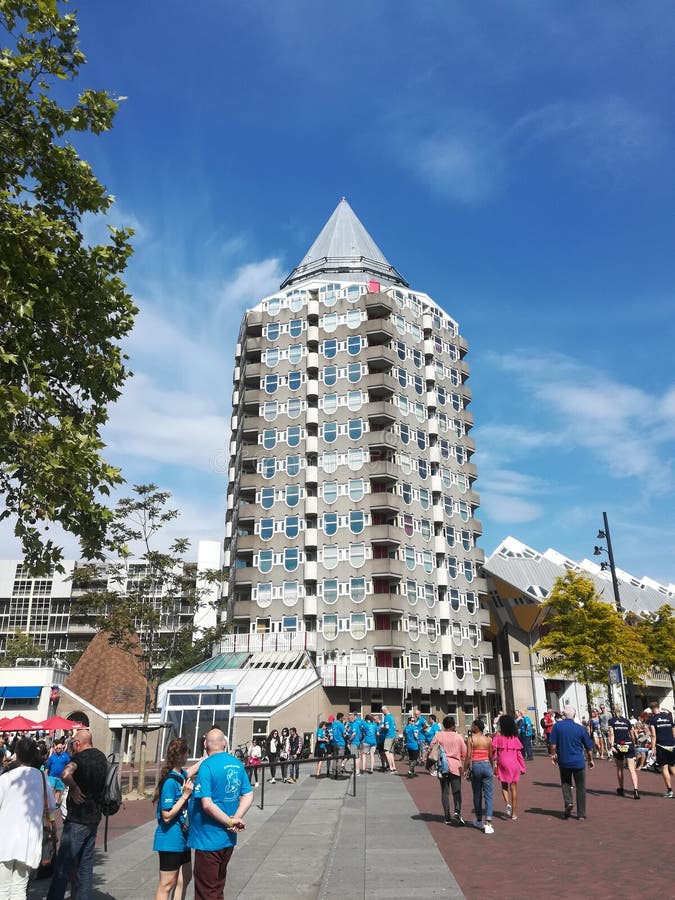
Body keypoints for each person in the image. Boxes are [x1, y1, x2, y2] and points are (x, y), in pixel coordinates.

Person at [188, 728, 252, 900]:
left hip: (208, 838)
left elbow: (207, 804)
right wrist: (236, 817)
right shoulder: (237, 763)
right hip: (227, 839)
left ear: (205, 745)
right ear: (224, 743)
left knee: (206, 890)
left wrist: (230, 822)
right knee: (217, 886)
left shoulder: (207, 766)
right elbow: (248, 794)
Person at [46, 728, 108, 900]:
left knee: (63, 866)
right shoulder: (101, 757)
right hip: (94, 817)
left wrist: (73, 788)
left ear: (78, 743)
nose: (72, 747)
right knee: (85, 866)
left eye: (73, 743)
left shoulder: (78, 759)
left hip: (77, 818)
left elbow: (66, 773)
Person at [0, 737, 56, 899]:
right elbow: (51, 805)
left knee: (2, 889)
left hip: (4, 838)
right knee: (19, 888)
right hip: (29, 838)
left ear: (16, 754)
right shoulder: (42, 777)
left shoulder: (5, 778)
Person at [152, 738, 195, 900]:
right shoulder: (170, 782)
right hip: (170, 838)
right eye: (187, 752)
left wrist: (209, 756)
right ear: (182, 755)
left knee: (185, 877)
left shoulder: (181, 774)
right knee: (167, 884)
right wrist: (185, 796)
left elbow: (191, 771)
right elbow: (166, 815)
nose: (188, 755)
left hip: (183, 837)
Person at [548, 707, 594, 820]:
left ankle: (568, 802)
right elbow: (589, 747)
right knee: (580, 787)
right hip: (578, 761)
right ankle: (581, 813)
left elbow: (553, 744)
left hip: (564, 760)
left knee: (566, 783)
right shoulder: (580, 728)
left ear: (564, 715)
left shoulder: (557, 726)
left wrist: (553, 754)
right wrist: (590, 759)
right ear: (574, 715)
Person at [429, 716, 466, 826]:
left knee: (445, 792)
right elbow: (464, 753)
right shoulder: (458, 737)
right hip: (455, 766)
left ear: (444, 725)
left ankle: (447, 816)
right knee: (457, 791)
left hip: (442, 766)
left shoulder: (438, 735)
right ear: (453, 725)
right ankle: (457, 812)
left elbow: (431, 747)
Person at [492, 714, 526, 820]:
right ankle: (514, 813)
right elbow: (519, 754)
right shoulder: (514, 738)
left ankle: (507, 803)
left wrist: (494, 761)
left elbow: (493, 751)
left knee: (504, 785)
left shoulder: (498, 737)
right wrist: (523, 767)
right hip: (514, 764)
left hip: (502, 763)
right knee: (514, 788)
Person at [464, 720, 494, 834]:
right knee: (489, 795)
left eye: (472, 725)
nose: (471, 727)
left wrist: (465, 769)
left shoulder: (471, 739)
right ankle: (488, 823)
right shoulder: (488, 739)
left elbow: (468, 756)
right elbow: (491, 756)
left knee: (477, 794)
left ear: (477, 727)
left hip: (476, 766)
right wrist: (492, 768)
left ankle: (478, 819)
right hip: (487, 765)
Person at [608, 706, 640, 800]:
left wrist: (612, 745)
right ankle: (636, 790)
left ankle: (621, 788)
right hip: (628, 744)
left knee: (620, 768)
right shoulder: (627, 721)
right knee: (632, 769)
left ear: (614, 712)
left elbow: (612, 734)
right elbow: (632, 734)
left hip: (618, 745)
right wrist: (634, 743)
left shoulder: (612, 721)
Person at [647, 701, 675, 798]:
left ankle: (670, 791)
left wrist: (653, 748)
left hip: (661, 745)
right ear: (658, 707)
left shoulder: (652, 719)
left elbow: (653, 735)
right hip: (671, 744)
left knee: (664, 768)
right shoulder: (668, 717)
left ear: (651, 709)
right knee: (673, 767)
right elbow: (673, 731)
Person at [44, 739, 71, 807]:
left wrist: (67, 774)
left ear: (62, 748)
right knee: (51, 789)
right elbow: (47, 765)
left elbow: (69, 765)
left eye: (59, 748)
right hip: (52, 776)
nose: (58, 749)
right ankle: (48, 802)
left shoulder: (66, 756)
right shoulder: (52, 756)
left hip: (61, 777)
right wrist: (45, 773)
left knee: (58, 790)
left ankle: (55, 803)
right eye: (57, 748)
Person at [380, 706, 397, 773]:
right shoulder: (392, 717)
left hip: (389, 736)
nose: (382, 713)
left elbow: (387, 727)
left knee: (386, 752)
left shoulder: (386, 717)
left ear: (385, 710)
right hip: (393, 736)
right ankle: (394, 767)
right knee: (391, 753)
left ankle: (390, 768)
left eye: (382, 711)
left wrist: (382, 727)